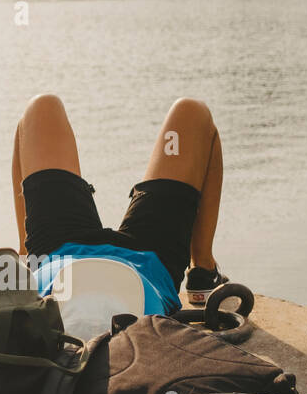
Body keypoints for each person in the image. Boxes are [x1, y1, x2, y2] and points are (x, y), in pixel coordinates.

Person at [12, 94, 230, 339]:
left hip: (58, 254)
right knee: (192, 113)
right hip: (148, 267)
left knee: (39, 110)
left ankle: (27, 263)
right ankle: (202, 266)